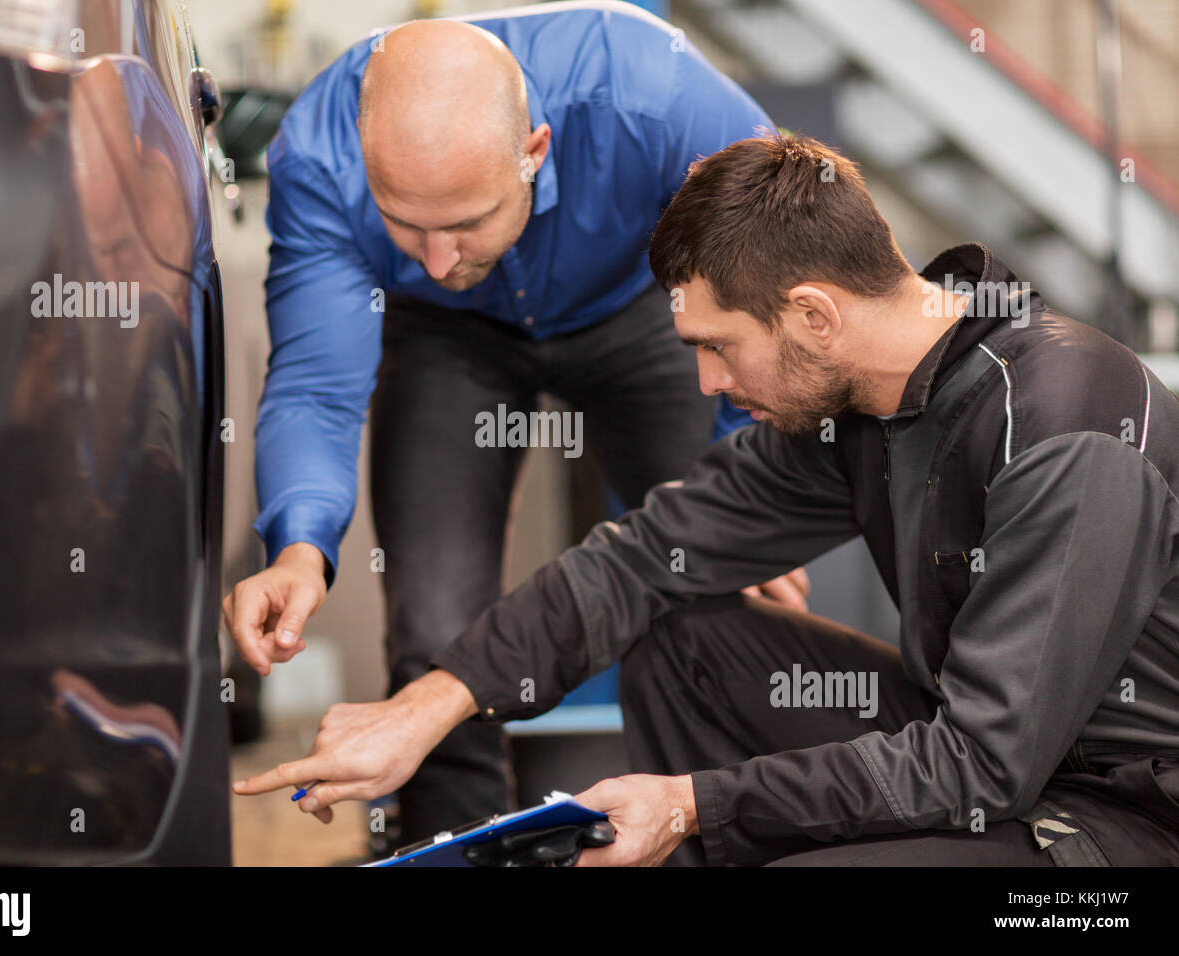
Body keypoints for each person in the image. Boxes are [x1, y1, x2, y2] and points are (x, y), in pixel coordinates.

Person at [234, 133, 1179, 866]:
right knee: (686, 649)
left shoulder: (1065, 427)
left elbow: (983, 764)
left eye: (716, 345)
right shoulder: (864, 404)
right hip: (1000, 759)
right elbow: (650, 556)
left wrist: (694, 803)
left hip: (1121, 831)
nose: (705, 384)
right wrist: (429, 704)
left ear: (812, 313)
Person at [223, 3, 809, 845]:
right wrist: (299, 546)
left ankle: (727, 833)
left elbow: (763, 312)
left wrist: (756, 493)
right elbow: (316, 383)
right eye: (404, 222)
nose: (434, 255)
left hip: (641, 308)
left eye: (465, 222)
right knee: (434, 621)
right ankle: (452, 851)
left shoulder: (658, 97)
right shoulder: (319, 150)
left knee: (711, 582)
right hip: (444, 334)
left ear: (533, 148)